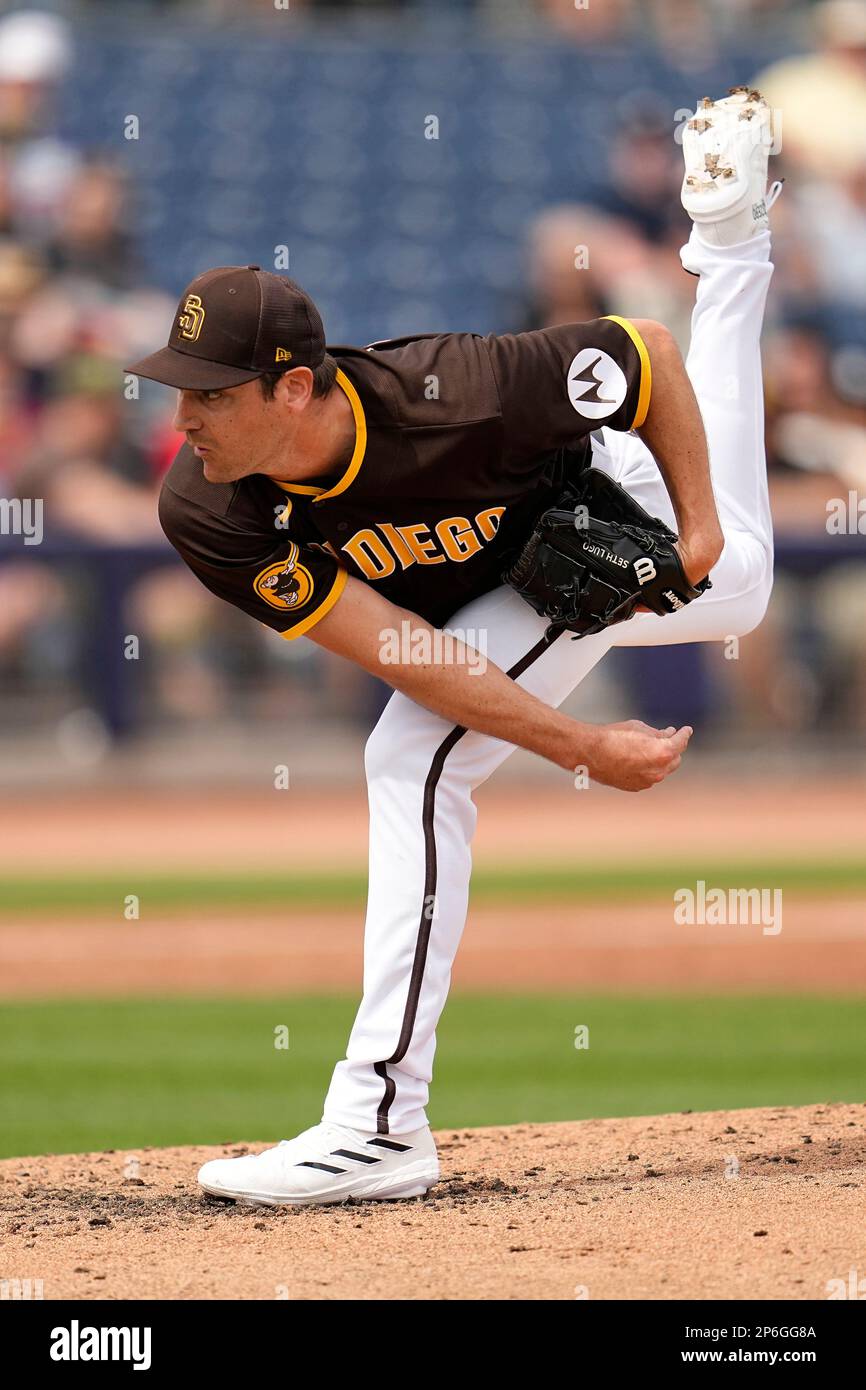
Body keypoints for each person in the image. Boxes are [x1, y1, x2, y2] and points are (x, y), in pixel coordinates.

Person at [129, 87, 782, 1208]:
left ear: (294, 387)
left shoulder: (455, 391)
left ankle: (377, 1124)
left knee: (736, 579)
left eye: (206, 396)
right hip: (518, 582)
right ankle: (382, 1122)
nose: (181, 420)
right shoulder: (210, 509)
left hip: (595, 509)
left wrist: (697, 532)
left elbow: (643, 357)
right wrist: (582, 745)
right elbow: (406, 652)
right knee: (416, 746)